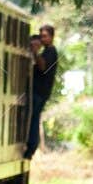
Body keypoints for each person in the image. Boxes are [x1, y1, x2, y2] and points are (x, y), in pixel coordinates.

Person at [25, 23, 58, 159]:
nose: (42, 39)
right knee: (31, 118)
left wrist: (35, 52)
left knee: (33, 119)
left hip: (40, 92)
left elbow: (43, 66)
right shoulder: (46, 51)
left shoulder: (51, 52)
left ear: (51, 37)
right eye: (41, 36)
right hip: (37, 92)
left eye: (45, 36)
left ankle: (31, 147)